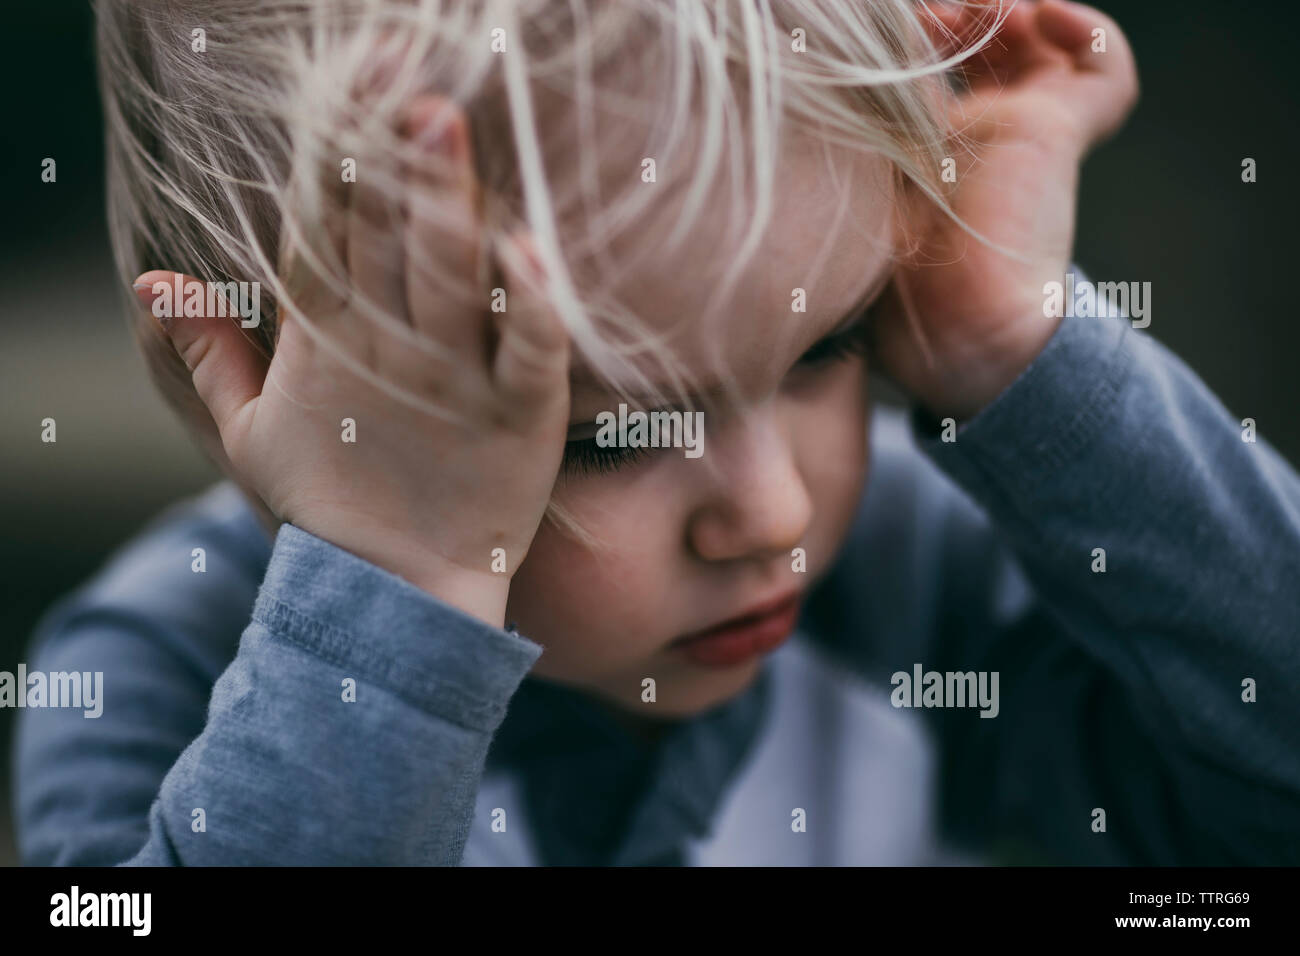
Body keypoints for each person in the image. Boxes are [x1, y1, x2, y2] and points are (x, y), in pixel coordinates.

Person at [14, 0, 1300, 865]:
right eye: (609, 436)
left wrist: (1006, 345)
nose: (775, 513)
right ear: (247, 402)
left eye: (829, 347)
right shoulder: (152, 673)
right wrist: (394, 593)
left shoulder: (915, 584)